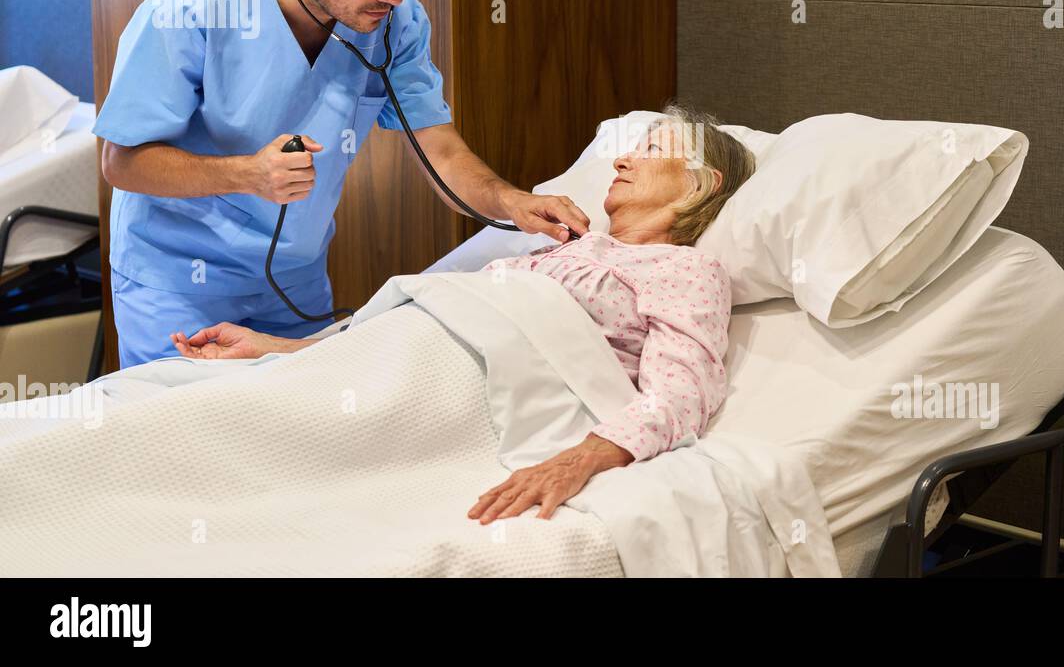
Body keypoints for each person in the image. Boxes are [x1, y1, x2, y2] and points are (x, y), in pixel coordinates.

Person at [95, 0, 589, 367]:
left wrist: (510, 202)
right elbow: (122, 162)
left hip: (296, 281)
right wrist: (248, 175)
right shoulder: (191, 5)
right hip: (180, 282)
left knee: (302, 434)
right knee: (183, 436)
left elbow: (439, 148)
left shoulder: (395, 20)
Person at [171, 107, 757, 524]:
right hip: (384, 369)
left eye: (652, 150)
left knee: (206, 453)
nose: (625, 158)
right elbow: (432, 325)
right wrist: (280, 350)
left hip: (451, 400)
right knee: (186, 419)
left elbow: (682, 396)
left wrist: (581, 459)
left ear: (703, 182)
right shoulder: (562, 248)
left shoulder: (683, 270)